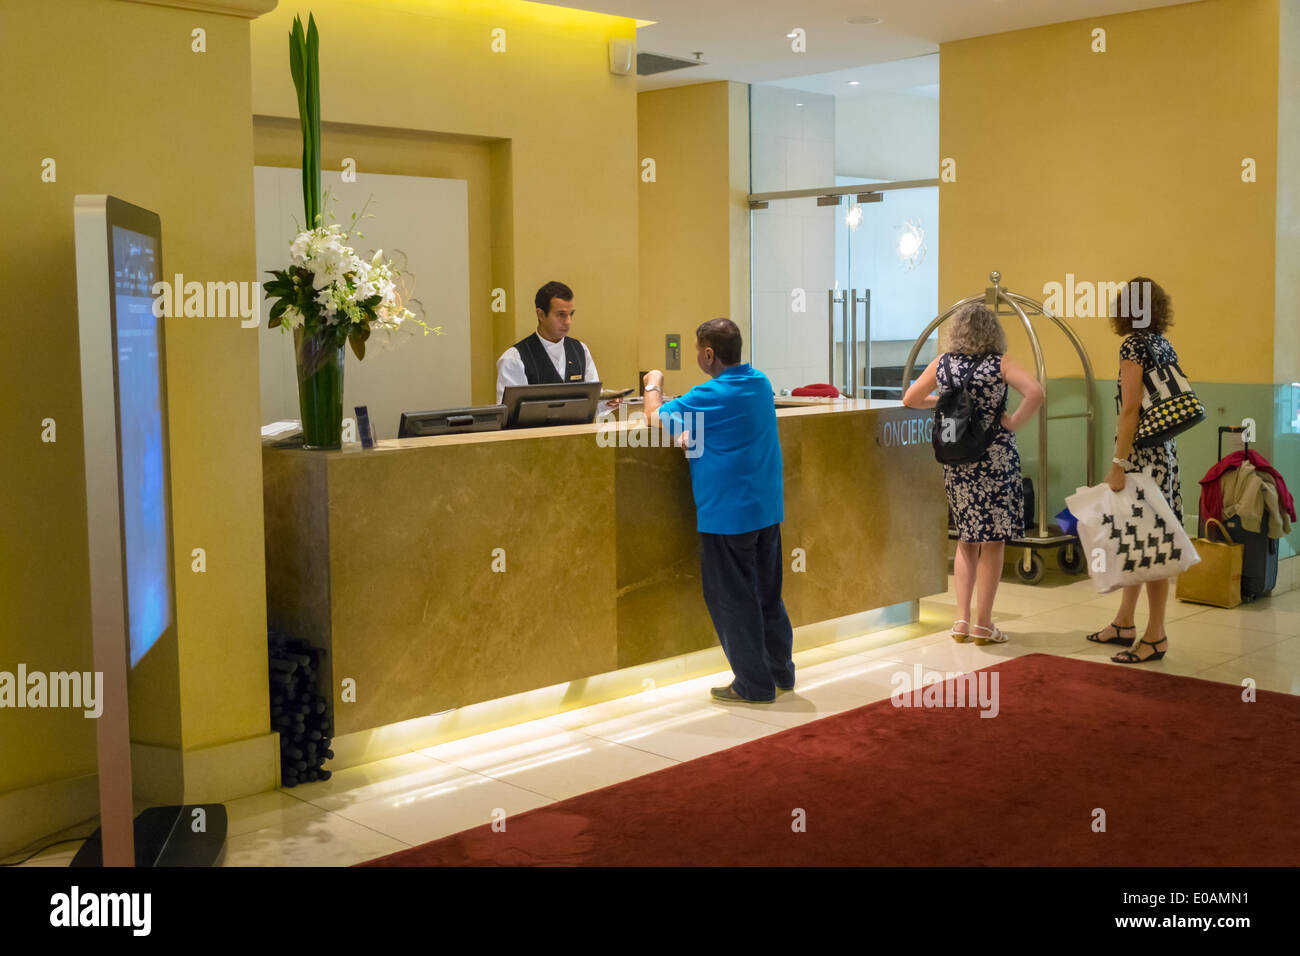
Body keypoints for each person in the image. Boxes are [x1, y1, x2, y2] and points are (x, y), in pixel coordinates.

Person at [643, 318, 792, 704]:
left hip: (727, 514)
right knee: (767, 595)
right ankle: (780, 672)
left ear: (708, 353)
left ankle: (753, 684)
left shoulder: (709, 395)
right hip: (765, 509)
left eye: (697, 350)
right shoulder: (759, 383)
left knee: (732, 599)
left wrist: (653, 383)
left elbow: (653, 417)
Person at [903, 303, 1044, 645]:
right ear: (992, 332)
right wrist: (1011, 422)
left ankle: (961, 621)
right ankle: (983, 623)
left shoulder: (943, 364)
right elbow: (1036, 392)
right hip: (994, 457)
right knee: (992, 541)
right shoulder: (1000, 364)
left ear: (957, 331)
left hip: (958, 459)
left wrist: (940, 403)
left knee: (966, 539)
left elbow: (910, 398)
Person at [1086, 277, 1182, 663]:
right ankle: (1125, 622)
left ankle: (1155, 634)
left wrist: (1118, 464)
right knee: (1137, 541)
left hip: (1141, 456)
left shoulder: (1132, 345)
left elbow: (1130, 411)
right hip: (1165, 453)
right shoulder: (1162, 342)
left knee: (1151, 546)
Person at [495, 281, 608, 404]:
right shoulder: (514, 359)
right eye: (561, 315)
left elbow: (594, 401)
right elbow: (510, 415)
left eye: (571, 314)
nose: (568, 322)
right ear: (541, 315)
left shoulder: (581, 349)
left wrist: (609, 401)